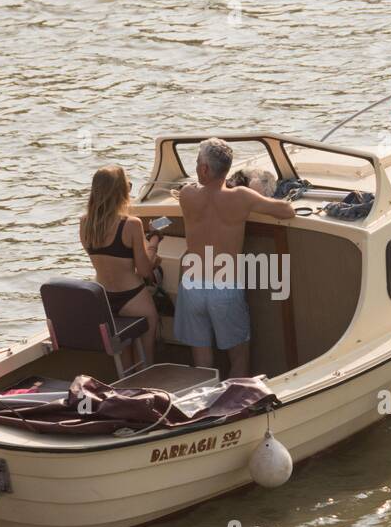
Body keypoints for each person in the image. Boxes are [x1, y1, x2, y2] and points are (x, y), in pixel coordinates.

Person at [176, 138, 295, 378]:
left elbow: (203, 194)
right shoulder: (241, 197)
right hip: (224, 287)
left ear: (205, 169)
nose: (197, 164)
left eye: (198, 161)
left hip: (192, 286)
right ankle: (234, 407)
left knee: (203, 364)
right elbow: (287, 212)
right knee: (239, 359)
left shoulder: (187, 194)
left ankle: (205, 404)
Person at [80, 165, 160, 365]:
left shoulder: (84, 223)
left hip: (104, 300)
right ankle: (146, 390)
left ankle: (126, 392)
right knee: (147, 358)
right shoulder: (131, 224)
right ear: (121, 192)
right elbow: (144, 271)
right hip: (132, 298)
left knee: (125, 360)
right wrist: (154, 243)